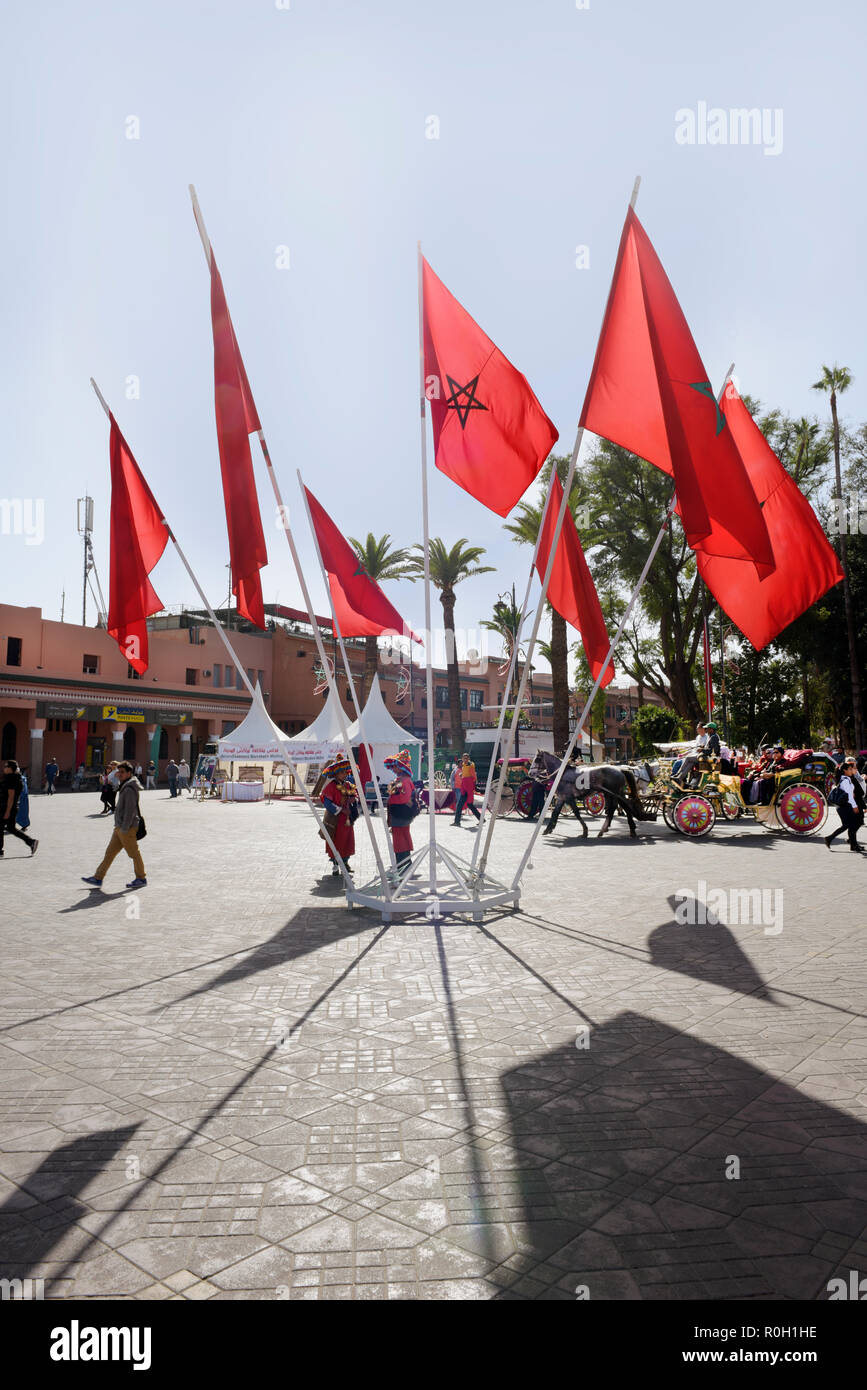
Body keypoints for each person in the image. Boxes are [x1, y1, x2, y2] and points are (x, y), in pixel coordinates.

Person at [81, 761, 147, 889]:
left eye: (123, 772)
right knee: (109, 853)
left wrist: (124, 828)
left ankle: (141, 877)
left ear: (129, 773)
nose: (120, 774)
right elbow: (114, 785)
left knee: (134, 853)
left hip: (126, 828)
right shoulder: (124, 785)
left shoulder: (129, 789)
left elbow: (129, 810)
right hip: (119, 827)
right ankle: (98, 878)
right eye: (119, 771)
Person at [319, 757, 357, 876]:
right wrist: (340, 810)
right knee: (336, 842)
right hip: (335, 820)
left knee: (347, 841)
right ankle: (335, 864)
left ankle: (345, 863)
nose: (345, 774)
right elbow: (326, 802)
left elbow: (355, 796)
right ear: (336, 774)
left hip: (347, 820)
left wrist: (353, 800)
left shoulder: (348, 785)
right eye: (342, 772)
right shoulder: (330, 786)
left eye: (346, 772)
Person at [385, 750, 417, 876]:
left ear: (400, 767)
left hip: (401, 813)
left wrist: (391, 799)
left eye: (395, 766)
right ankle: (405, 863)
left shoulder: (404, 781)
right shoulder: (402, 779)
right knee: (403, 837)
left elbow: (404, 798)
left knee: (399, 839)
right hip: (401, 814)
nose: (393, 768)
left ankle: (402, 864)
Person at [825, 758, 865, 852]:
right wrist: (855, 806)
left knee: (850, 825)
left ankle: (853, 845)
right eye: (850, 769)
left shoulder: (846, 779)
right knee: (848, 825)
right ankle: (830, 838)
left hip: (844, 806)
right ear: (845, 770)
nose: (852, 771)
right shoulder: (846, 781)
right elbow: (850, 797)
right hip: (844, 807)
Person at [0, 760, 38, 857]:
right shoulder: (14, 778)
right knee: (11, 828)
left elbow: (11, 797)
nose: (4, 767)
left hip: (7, 808)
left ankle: (0, 851)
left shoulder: (11, 779)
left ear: (11, 768)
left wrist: (7, 811)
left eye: (6, 766)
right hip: (11, 808)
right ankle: (31, 842)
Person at [673, 723, 707, 787]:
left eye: (698, 728)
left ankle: (678, 773)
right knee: (690, 763)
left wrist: (701, 748)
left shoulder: (707, 737)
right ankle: (679, 778)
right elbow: (694, 749)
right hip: (695, 755)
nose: (697, 729)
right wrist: (684, 754)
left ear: (702, 728)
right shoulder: (698, 737)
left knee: (688, 758)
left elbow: (706, 748)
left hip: (701, 756)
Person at [453, 754, 481, 827]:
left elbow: (473, 776)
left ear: (468, 758)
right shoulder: (464, 765)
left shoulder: (470, 765)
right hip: (464, 786)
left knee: (465, 804)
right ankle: (481, 819)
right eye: (464, 758)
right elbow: (466, 773)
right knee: (465, 805)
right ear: (462, 758)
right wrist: (462, 774)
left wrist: (473, 786)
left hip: (468, 786)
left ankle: (457, 822)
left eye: (466, 758)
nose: (465, 759)